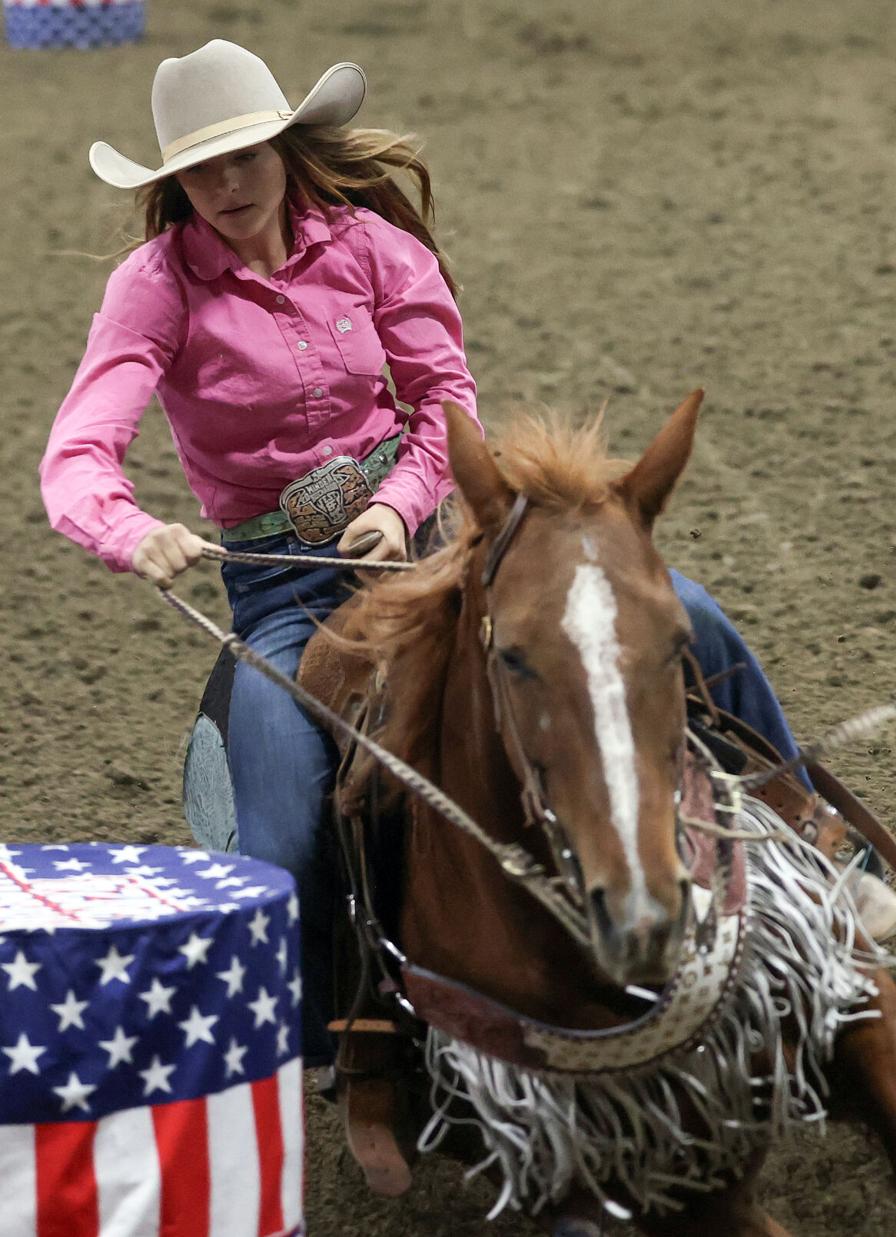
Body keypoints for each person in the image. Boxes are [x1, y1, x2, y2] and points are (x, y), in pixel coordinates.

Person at [40, 39, 811, 1068]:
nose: (228, 184)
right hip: (282, 594)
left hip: (435, 544)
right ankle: (358, 1038)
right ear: (174, 180)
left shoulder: (367, 246)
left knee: (681, 617)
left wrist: (405, 501)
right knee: (281, 837)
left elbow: (443, 398)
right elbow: (79, 451)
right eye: (202, 166)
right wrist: (131, 528)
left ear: (287, 147)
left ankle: (812, 831)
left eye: (249, 155)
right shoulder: (155, 285)